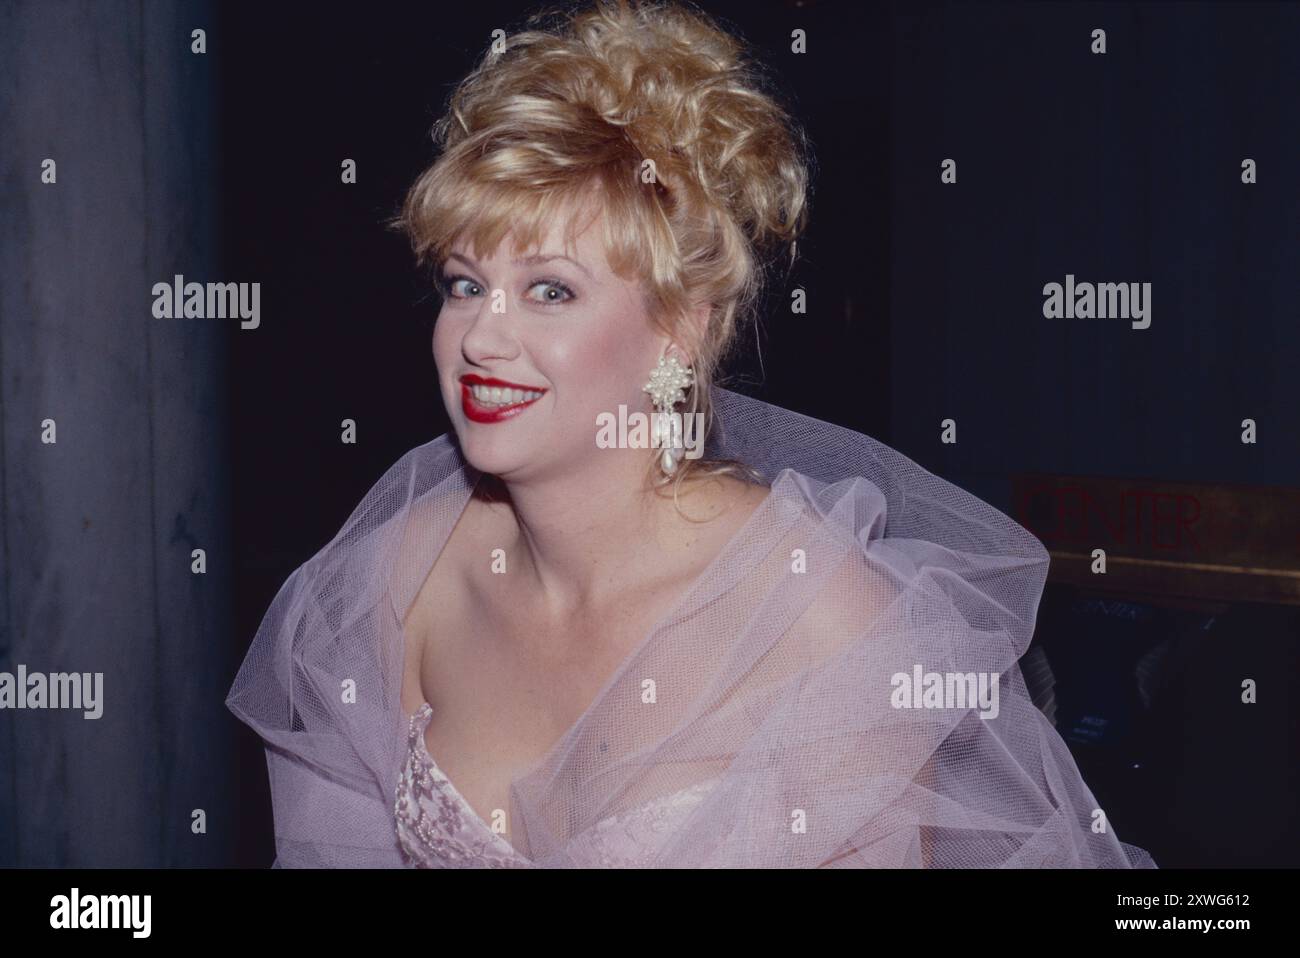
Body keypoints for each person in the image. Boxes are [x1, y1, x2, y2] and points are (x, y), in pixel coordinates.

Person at [226, 0, 1156, 869]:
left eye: (550, 289)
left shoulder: (823, 624)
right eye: (466, 284)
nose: (481, 337)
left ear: (684, 329)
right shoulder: (400, 579)